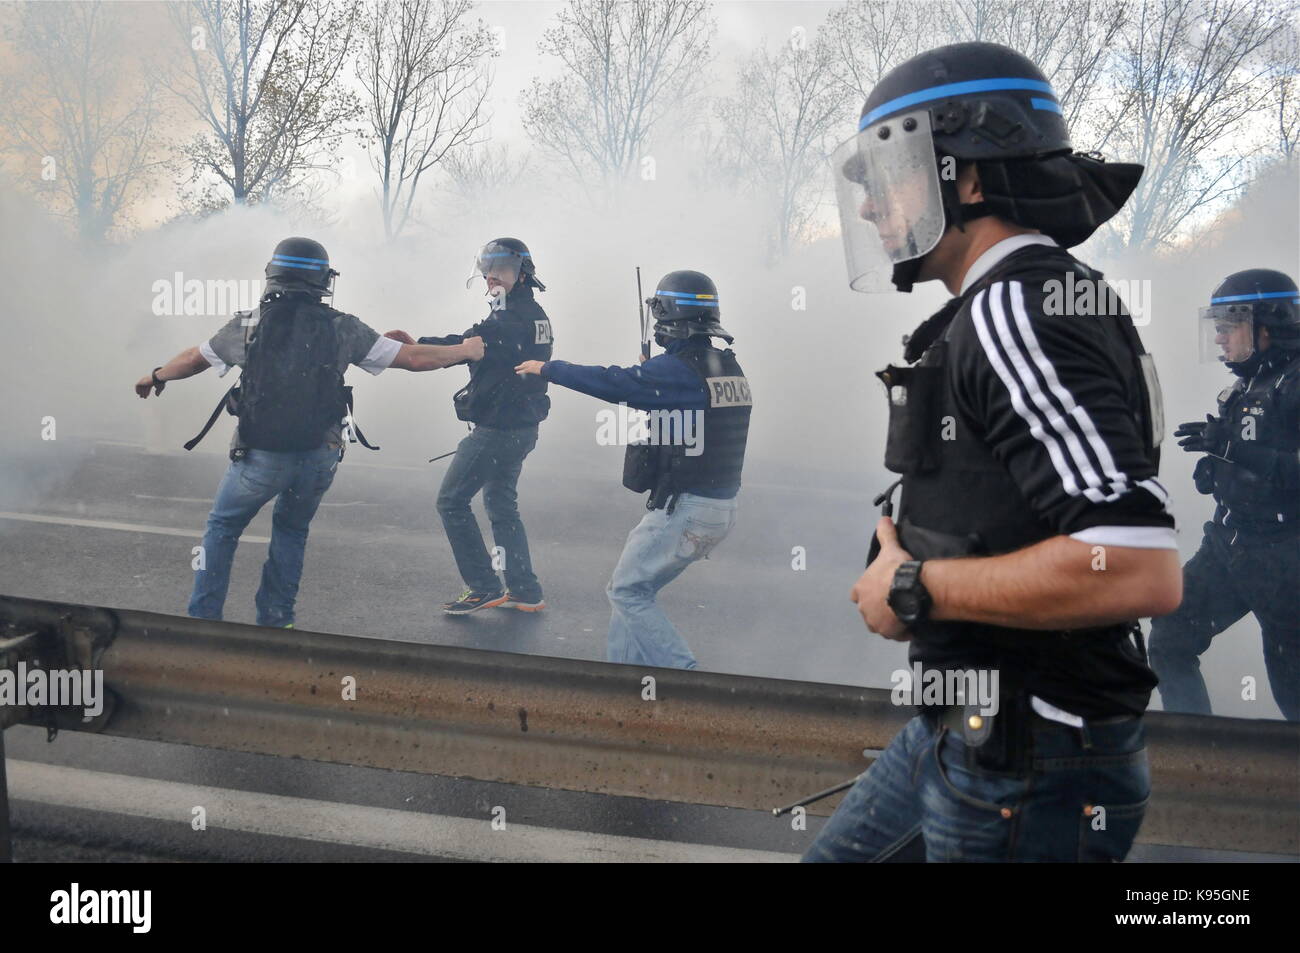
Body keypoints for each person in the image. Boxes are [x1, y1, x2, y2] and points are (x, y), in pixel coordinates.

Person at [804, 42, 1182, 863]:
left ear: (970, 177)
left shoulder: (1019, 311)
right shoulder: (1011, 304)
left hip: (1034, 759)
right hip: (966, 730)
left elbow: (1135, 565)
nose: (868, 209)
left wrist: (913, 586)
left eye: (890, 169)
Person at [135, 236, 481, 628]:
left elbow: (193, 359)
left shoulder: (247, 325)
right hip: (319, 455)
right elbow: (414, 359)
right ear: (322, 281)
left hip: (258, 455)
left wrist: (156, 375)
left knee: (223, 527)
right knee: (292, 530)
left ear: (273, 276)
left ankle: (204, 619)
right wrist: (465, 351)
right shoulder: (342, 327)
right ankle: (277, 619)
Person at [515, 270, 750, 669]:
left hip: (686, 508)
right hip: (717, 507)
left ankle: (684, 679)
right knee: (629, 590)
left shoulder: (678, 370)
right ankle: (623, 679)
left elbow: (616, 383)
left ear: (668, 316)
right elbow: (686, 413)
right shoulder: (725, 366)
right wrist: (652, 379)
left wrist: (548, 369)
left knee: (628, 592)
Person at [1149, 269, 1300, 721]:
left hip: (1286, 558)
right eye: (1216, 327)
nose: (1218, 339)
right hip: (1230, 545)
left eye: (1228, 326)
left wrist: (1235, 449)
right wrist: (1218, 468)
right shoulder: (1245, 384)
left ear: (1268, 323)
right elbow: (1255, 454)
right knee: (1171, 637)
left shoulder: (1295, 384)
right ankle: (1200, 751)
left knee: (1291, 689)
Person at [386, 238, 552, 615]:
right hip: (522, 426)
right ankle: (525, 589)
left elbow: (469, 344)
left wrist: (414, 350)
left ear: (523, 273)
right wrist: (421, 343)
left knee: (451, 501)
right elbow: (471, 340)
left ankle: (483, 585)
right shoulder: (534, 313)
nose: (493, 278)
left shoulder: (511, 317)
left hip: (497, 429)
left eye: (503, 270)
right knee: (500, 505)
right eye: (488, 271)